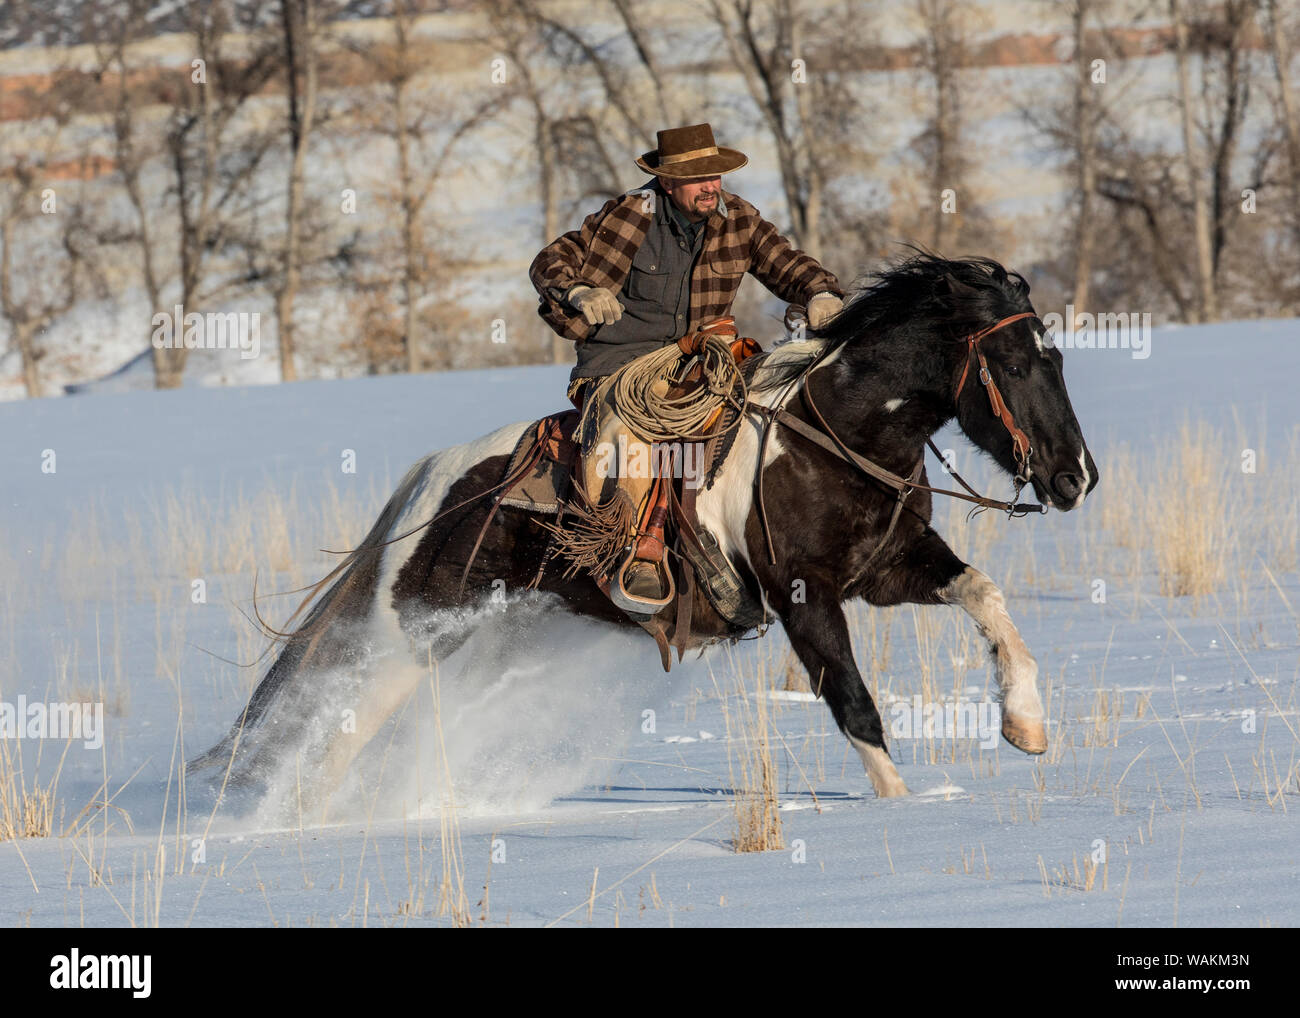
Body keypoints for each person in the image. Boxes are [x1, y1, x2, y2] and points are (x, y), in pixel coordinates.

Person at [529, 123, 845, 611]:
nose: (710, 186)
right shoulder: (629, 217)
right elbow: (553, 259)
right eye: (697, 178)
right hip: (621, 362)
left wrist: (821, 292)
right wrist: (578, 291)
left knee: (774, 414)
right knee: (628, 438)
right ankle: (639, 553)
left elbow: (786, 263)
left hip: (704, 360)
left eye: (715, 175)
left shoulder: (738, 219)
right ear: (668, 181)